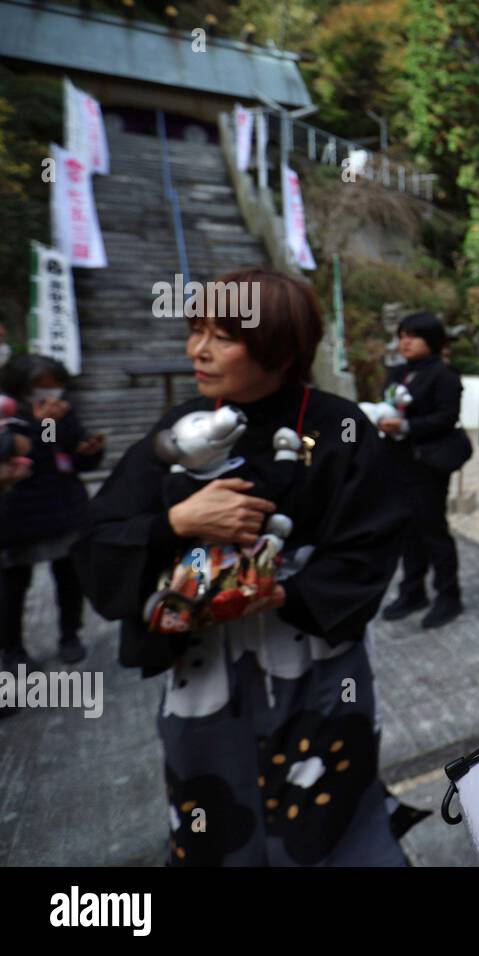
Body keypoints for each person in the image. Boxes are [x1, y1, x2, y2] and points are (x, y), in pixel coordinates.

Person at [74, 268, 421, 866]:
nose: (197, 350)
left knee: (326, 820)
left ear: (280, 347)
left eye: (221, 336)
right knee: (213, 820)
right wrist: (178, 523)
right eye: (196, 330)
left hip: (314, 675)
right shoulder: (178, 433)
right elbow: (99, 539)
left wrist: (279, 593)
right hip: (204, 679)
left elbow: (372, 544)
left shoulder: (339, 426)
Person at [1, 355, 104, 667]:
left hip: (65, 506)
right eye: (42, 387)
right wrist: (44, 424)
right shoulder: (8, 415)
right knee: (13, 587)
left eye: (56, 386)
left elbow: (72, 457)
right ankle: (13, 650)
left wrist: (90, 453)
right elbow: (33, 453)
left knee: (70, 579)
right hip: (18, 512)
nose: (52, 394)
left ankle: (70, 635)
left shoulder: (64, 410)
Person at [379, 312, 464, 628]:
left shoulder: (443, 374)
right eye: (401, 336)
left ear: (431, 339)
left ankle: (449, 595)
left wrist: (406, 425)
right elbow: (386, 403)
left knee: (432, 529)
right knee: (407, 530)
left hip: (429, 464)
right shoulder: (398, 372)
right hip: (398, 462)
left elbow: (446, 418)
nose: (405, 342)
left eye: (412, 336)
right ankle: (412, 590)